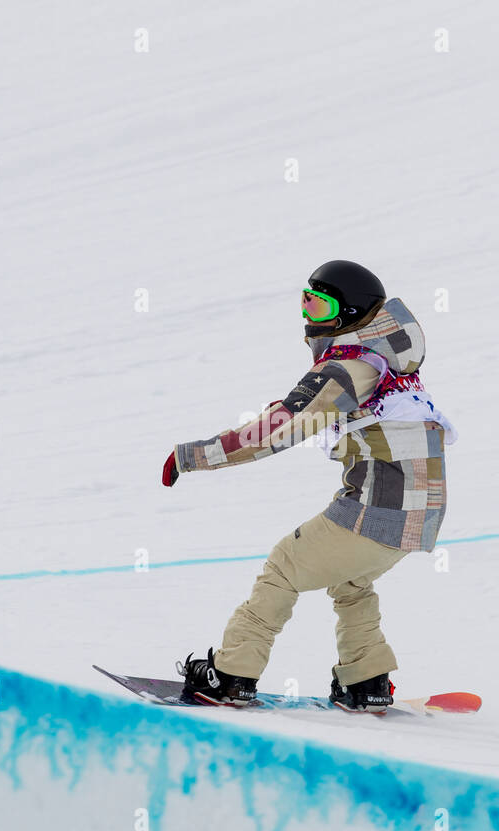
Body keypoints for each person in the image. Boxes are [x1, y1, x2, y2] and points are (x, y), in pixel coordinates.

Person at [161, 260, 456, 712]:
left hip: (378, 509)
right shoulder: (389, 362)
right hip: (419, 514)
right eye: (305, 301)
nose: (308, 317)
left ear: (350, 313)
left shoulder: (347, 369)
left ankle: (231, 677)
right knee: (350, 582)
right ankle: (366, 681)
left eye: (319, 306)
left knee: (283, 567)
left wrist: (191, 456)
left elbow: (277, 431)